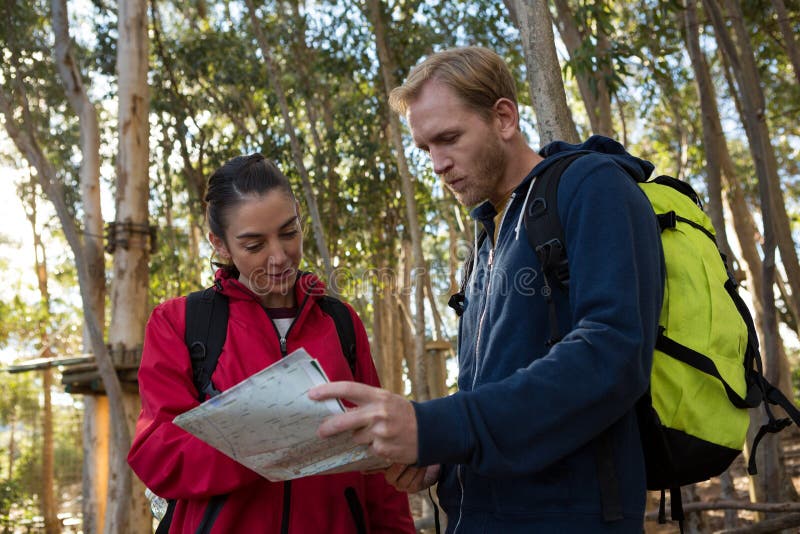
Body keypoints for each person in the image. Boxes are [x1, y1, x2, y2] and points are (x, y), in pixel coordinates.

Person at [310, 46, 664, 532]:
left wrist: (438, 425)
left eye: (448, 138)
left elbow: (612, 354)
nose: (436, 163)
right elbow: (492, 403)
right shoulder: (486, 238)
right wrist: (440, 455)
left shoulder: (592, 186)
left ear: (503, 118)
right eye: (424, 149)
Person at [128, 154, 415, 533]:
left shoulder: (340, 322)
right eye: (254, 245)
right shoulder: (180, 323)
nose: (279, 257)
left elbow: (378, 466)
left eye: (289, 232)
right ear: (221, 245)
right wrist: (274, 444)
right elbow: (157, 455)